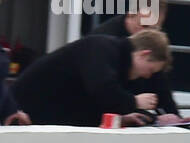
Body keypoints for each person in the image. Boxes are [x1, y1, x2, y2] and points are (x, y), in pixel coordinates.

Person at [12, 28, 170, 128]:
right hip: (23, 115)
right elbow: (102, 91)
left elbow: (91, 102)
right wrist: (135, 102)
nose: (148, 76)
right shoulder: (102, 50)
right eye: (150, 70)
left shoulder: (113, 58)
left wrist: (124, 117)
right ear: (144, 54)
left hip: (44, 117)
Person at [88, 3, 184, 124]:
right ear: (130, 15)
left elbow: (160, 84)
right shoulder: (103, 40)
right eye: (144, 25)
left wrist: (178, 120)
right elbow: (103, 92)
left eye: (155, 29)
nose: (148, 32)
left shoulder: (150, 41)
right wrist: (139, 107)